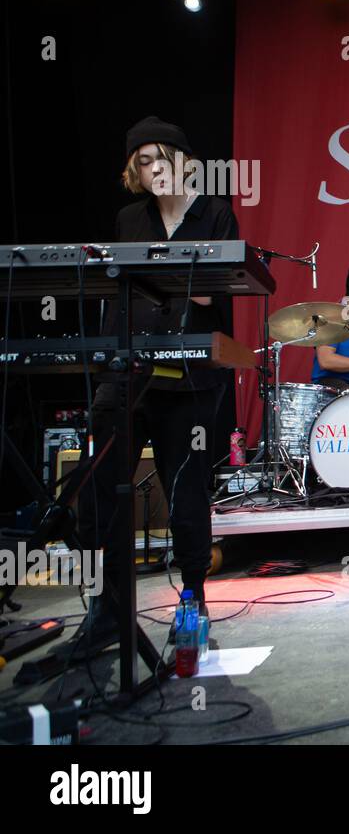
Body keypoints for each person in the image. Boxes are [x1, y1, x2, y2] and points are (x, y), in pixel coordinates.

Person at [73, 116, 236, 659]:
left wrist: (152, 278)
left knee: (186, 495)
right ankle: (108, 605)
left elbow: (213, 296)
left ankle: (193, 600)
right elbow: (116, 289)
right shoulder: (128, 219)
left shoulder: (214, 213)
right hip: (128, 372)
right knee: (100, 490)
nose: (152, 170)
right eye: (142, 162)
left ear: (183, 160)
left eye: (161, 159)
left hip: (190, 378)